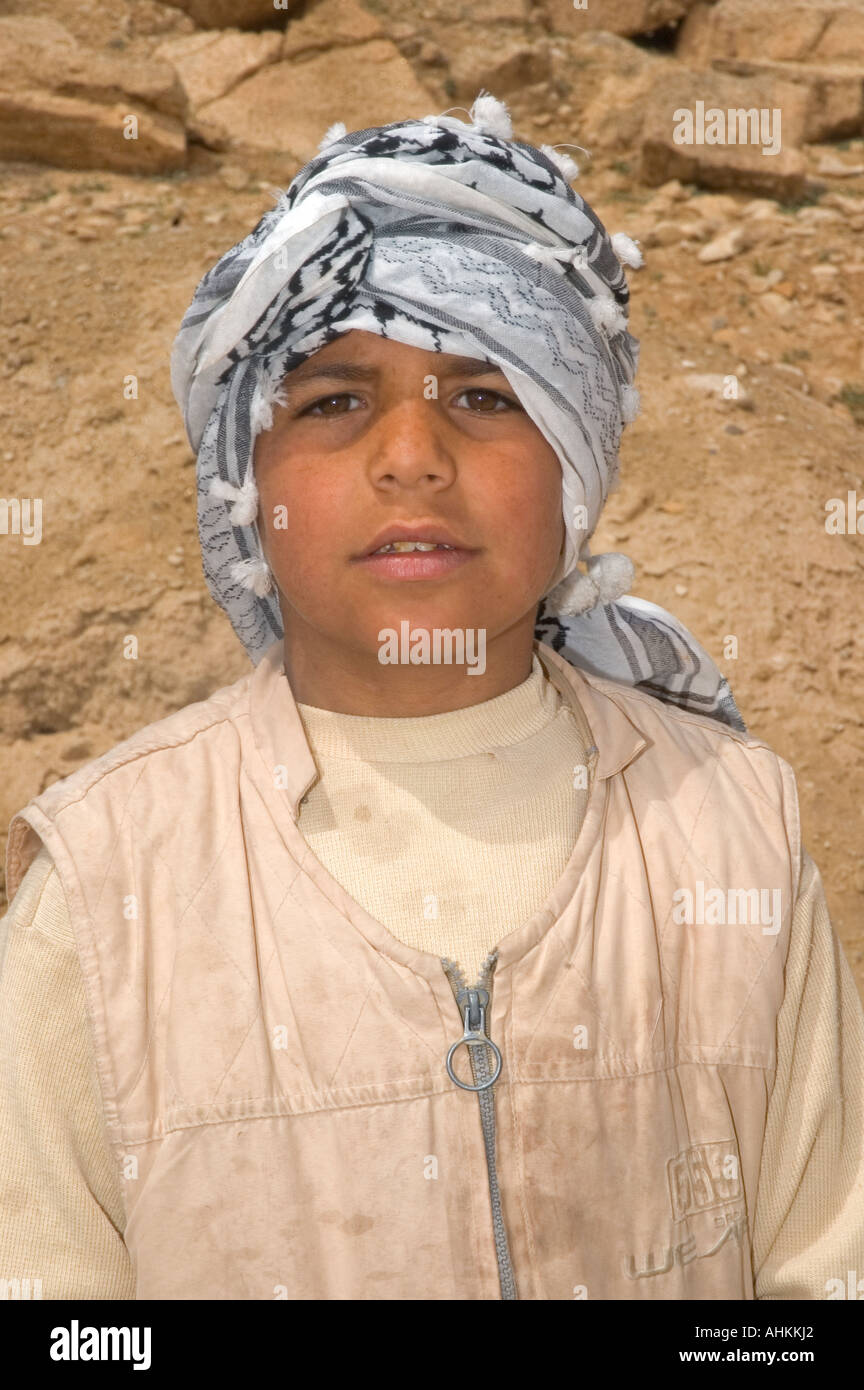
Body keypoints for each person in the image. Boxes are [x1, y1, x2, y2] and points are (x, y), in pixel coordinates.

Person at [1, 92, 863, 1301]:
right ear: (244, 482)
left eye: (484, 395)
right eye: (335, 399)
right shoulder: (102, 887)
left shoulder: (734, 829)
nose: (412, 455)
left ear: (574, 463)